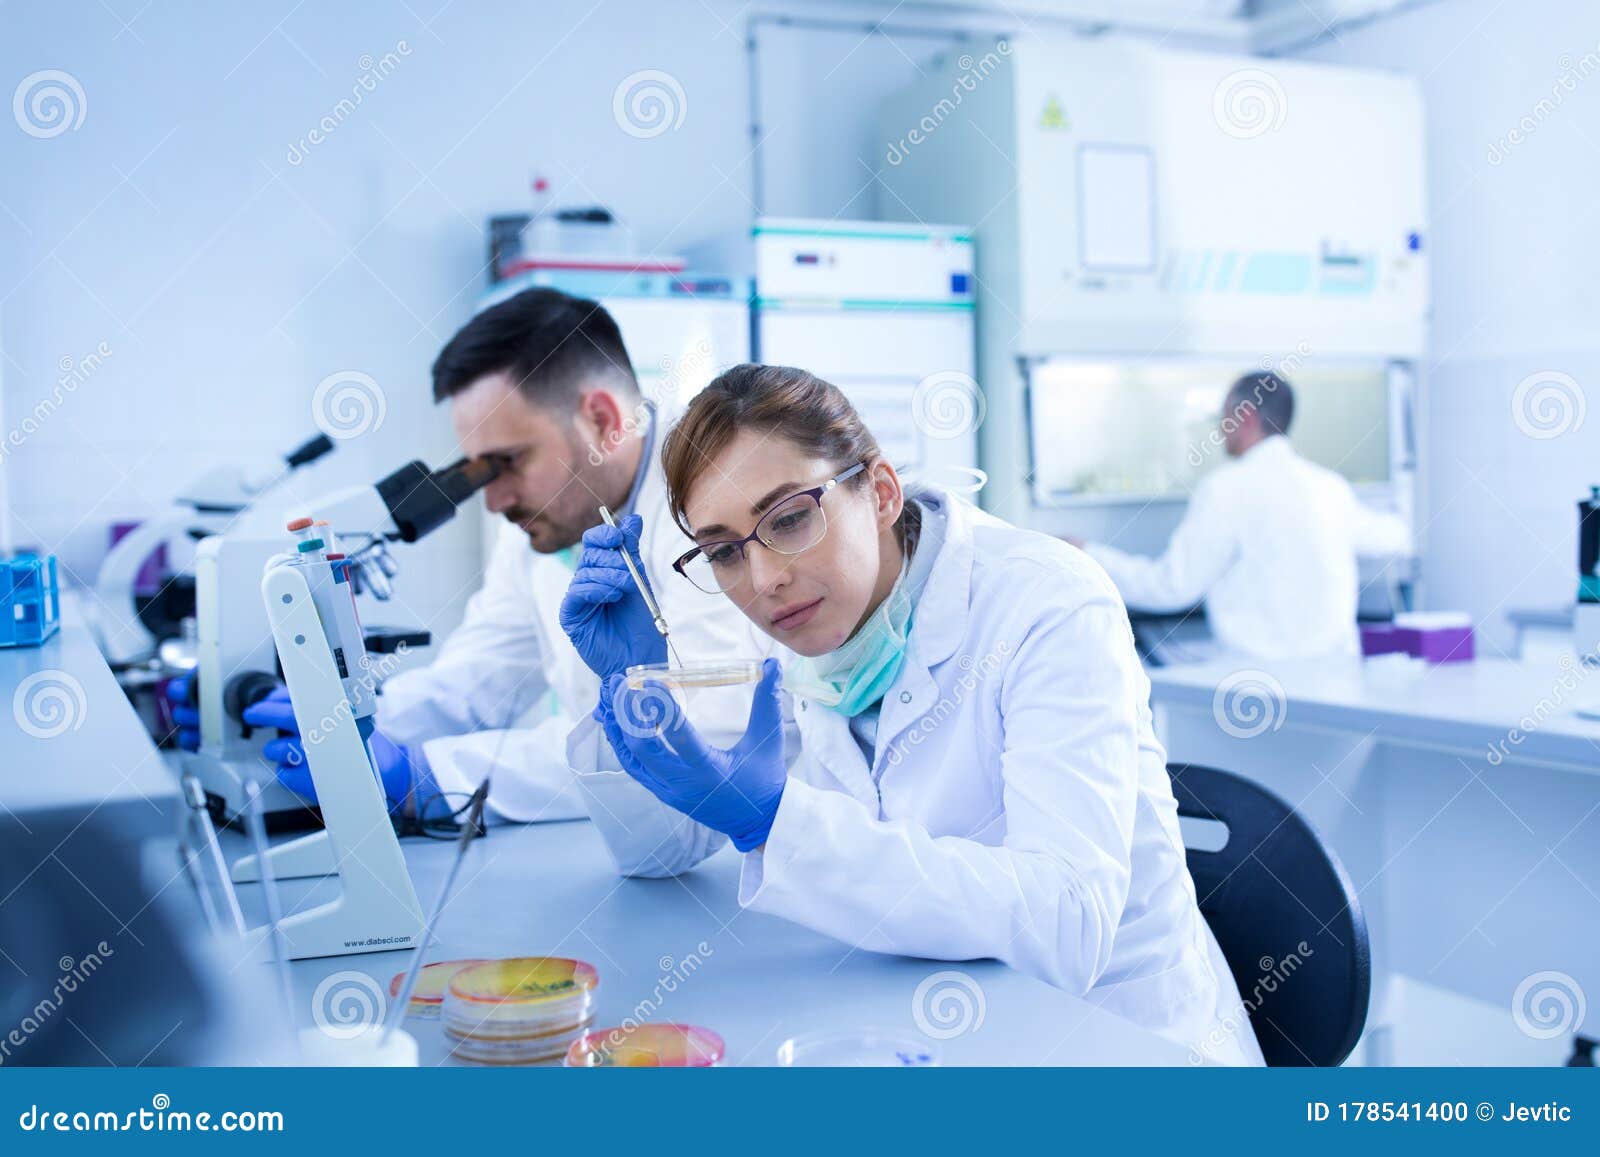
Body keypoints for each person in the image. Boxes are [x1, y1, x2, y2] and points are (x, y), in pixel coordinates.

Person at [559, 363, 1263, 1064]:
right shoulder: (792, 623)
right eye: (722, 551)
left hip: (1119, 1047)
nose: (765, 577)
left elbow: (1066, 924)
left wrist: (777, 822)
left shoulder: (1046, 602)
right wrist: (632, 689)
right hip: (920, 1022)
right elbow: (658, 854)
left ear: (881, 493)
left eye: (791, 518)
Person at [239, 288, 761, 821]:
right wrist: (345, 724)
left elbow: (697, 731)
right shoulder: (550, 519)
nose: (493, 501)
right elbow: (480, 676)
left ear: (603, 421)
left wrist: (422, 773)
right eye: (480, 470)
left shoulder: (708, 507)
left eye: (507, 462)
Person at [1070, 372, 1410, 660]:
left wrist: (1089, 555)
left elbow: (1173, 586)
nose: (1220, 430)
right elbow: (1393, 537)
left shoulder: (1225, 489)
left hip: (1258, 682)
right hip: (1336, 675)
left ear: (1245, 417)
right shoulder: (1329, 487)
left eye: (1223, 417)